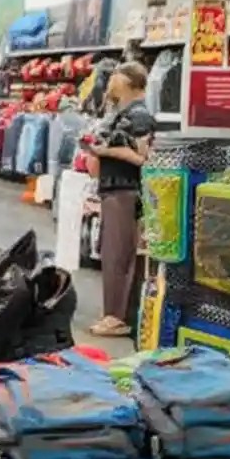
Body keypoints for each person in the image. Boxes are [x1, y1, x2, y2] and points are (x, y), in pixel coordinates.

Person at [82, 61, 154, 337]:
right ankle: (114, 313)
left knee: (119, 254)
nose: (112, 82)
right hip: (115, 189)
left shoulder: (139, 115)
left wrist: (105, 151)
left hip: (124, 190)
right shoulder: (124, 112)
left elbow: (142, 158)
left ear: (128, 82)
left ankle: (117, 316)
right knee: (114, 253)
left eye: (117, 78)